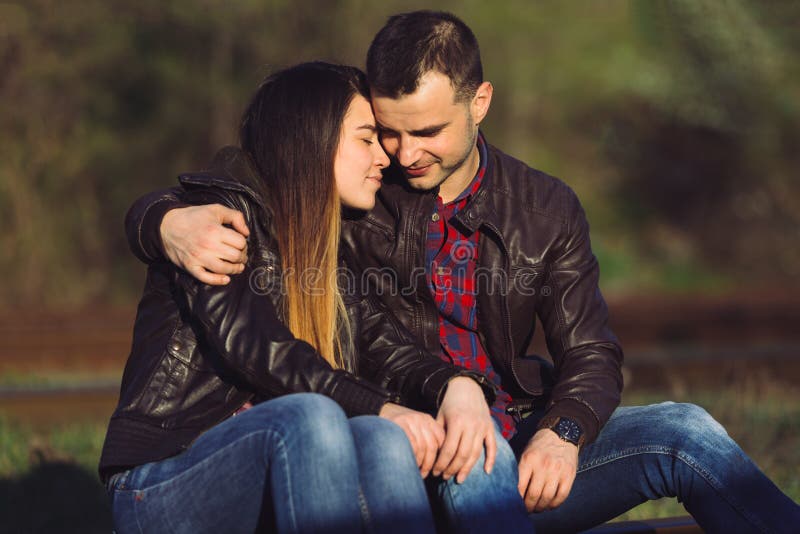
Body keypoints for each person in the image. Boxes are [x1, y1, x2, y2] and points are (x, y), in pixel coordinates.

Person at [124, 12, 800, 533]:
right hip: (420, 447)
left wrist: (563, 434)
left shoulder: (545, 207)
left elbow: (590, 353)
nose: (401, 154)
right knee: (478, 461)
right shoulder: (355, 202)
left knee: (685, 430)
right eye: (386, 132)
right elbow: (252, 186)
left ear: (480, 103)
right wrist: (161, 219)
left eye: (427, 132)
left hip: (516, 432)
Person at [100, 61, 530, 534]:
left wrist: (457, 386)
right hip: (161, 484)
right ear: (313, 139)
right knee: (313, 416)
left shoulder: (328, 250)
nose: (384, 158)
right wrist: (381, 406)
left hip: (263, 471)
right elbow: (261, 347)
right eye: (366, 139)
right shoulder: (217, 222)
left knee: (381, 439)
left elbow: (383, 343)